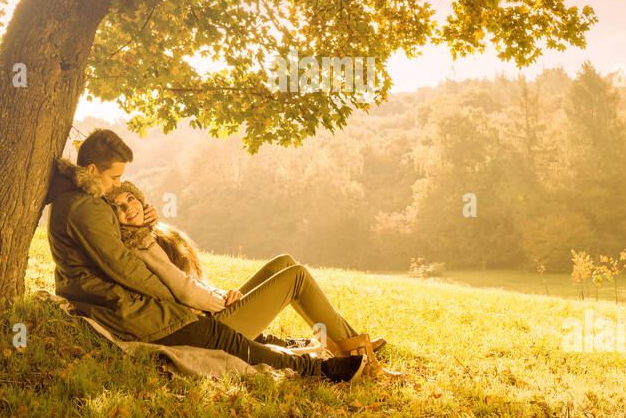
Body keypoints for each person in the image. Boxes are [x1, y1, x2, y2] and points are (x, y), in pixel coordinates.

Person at [44, 129, 386, 381]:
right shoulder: (87, 209)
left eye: (129, 193)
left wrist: (147, 222)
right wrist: (197, 304)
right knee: (294, 278)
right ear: (90, 170)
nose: (119, 189)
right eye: (114, 180)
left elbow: (157, 266)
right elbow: (128, 268)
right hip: (174, 311)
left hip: (188, 304)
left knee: (284, 263)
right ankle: (351, 350)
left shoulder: (109, 214)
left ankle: (345, 343)